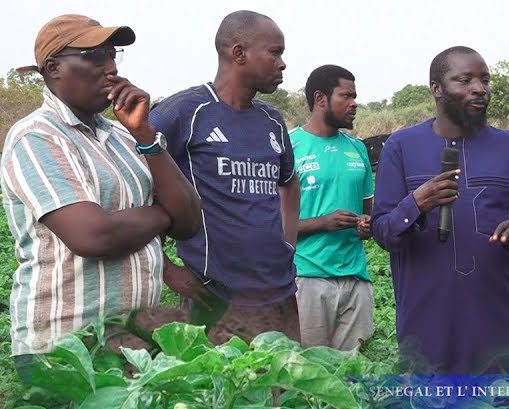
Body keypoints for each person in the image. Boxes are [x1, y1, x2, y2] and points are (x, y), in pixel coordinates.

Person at [1, 14, 202, 379]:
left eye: (111, 54)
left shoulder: (126, 138)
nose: (111, 68)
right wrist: (163, 215)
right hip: (65, 349)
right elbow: (94, 237)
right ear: (54, 68)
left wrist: (146, 136)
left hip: (134, 343)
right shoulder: (37, 137)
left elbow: (188, 220)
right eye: (94, 56)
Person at [371, 46, 509, 375]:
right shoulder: (401, 148)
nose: (479, 88)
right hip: (427, 333)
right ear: (437, 89)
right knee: (432, 406)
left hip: (503, 329)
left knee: (508, 406)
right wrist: (416, 204)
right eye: (465, 80)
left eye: (484, 80)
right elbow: (382, 230)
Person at [149, 10, 301, 344]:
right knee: (221, 377)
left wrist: (287, 243)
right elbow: (135, 187)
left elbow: (289, 183)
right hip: (214, 294)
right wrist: (166, 269)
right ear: (239, 53)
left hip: (279, 289)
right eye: (275, 53)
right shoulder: (182, 113)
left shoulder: (272, 121)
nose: (283, 64)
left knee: (286, 375)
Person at [289, 65, 374, 351]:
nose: (354, 104)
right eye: (346, 96)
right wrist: (323, 222)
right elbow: (270, 226)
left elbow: (369, 212)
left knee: (353, 370)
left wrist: (367, 225)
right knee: (308, 369)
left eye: (355, 96)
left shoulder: (357, 149)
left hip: (356, 280)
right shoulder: (289, 147)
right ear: (320, 98)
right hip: (306, 279)